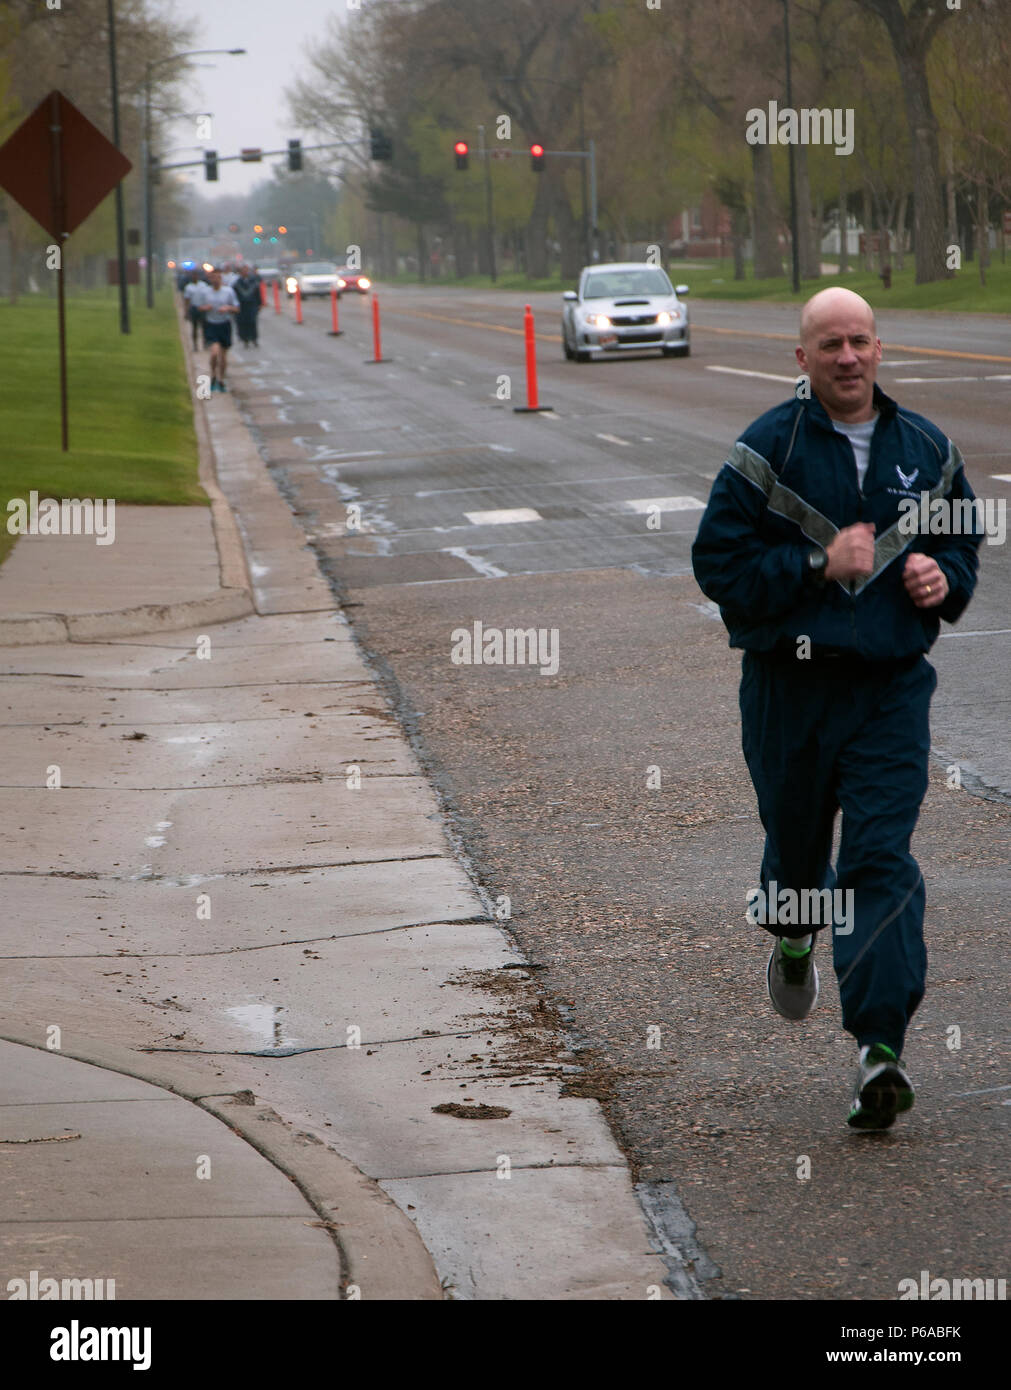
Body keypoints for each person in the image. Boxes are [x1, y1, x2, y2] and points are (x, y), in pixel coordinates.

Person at [691, 287, 983, 1130]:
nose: (847, 358)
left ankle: (878, 1052)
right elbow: (719, 565)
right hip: (790, 691)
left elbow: (960, 539)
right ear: (802, 360)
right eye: (829, 346)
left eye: (859, 342)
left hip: (890, 690)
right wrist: (818, 563)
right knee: (794, 847)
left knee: (879, 860)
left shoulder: (925, 447)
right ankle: (790, 929)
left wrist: (942, 579)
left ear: (878, 350)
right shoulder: (765, 449)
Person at [199, 268, 239, 392]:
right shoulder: (205, 292)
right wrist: (206, 308)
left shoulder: (228, 292)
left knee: (223, 356)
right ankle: (213, 375)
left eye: (217, 277)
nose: (215, 280)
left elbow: (237, 308)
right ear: (210, 279)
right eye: (213, 278)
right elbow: (199, 307)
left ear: (221, 279)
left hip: (224, 325)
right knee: (214, 352)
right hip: (211, 325)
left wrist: (227, 308)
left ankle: (221, 380)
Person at [233, 265, 261, 348]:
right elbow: (235, 296)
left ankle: (254, 338)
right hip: (242, 306)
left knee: (252, 322)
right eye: (243, 271)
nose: (245, 272)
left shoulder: (253, 281)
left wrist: (259, 304)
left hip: (252, 305)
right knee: (243, 323)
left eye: (246, 271)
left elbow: (257, 293)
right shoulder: (237, 283)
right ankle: (245, 339)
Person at [182, 270, 208, 349]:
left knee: (204, 327)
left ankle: (205, 343)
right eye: (193, 276)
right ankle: (195, 344)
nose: (195, 277)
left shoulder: (203, 285)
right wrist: (186, 311)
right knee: (194, 327)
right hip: (194, 308)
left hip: (203, 308)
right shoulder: (189, 287)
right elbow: (187, 300)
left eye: (196, 276)